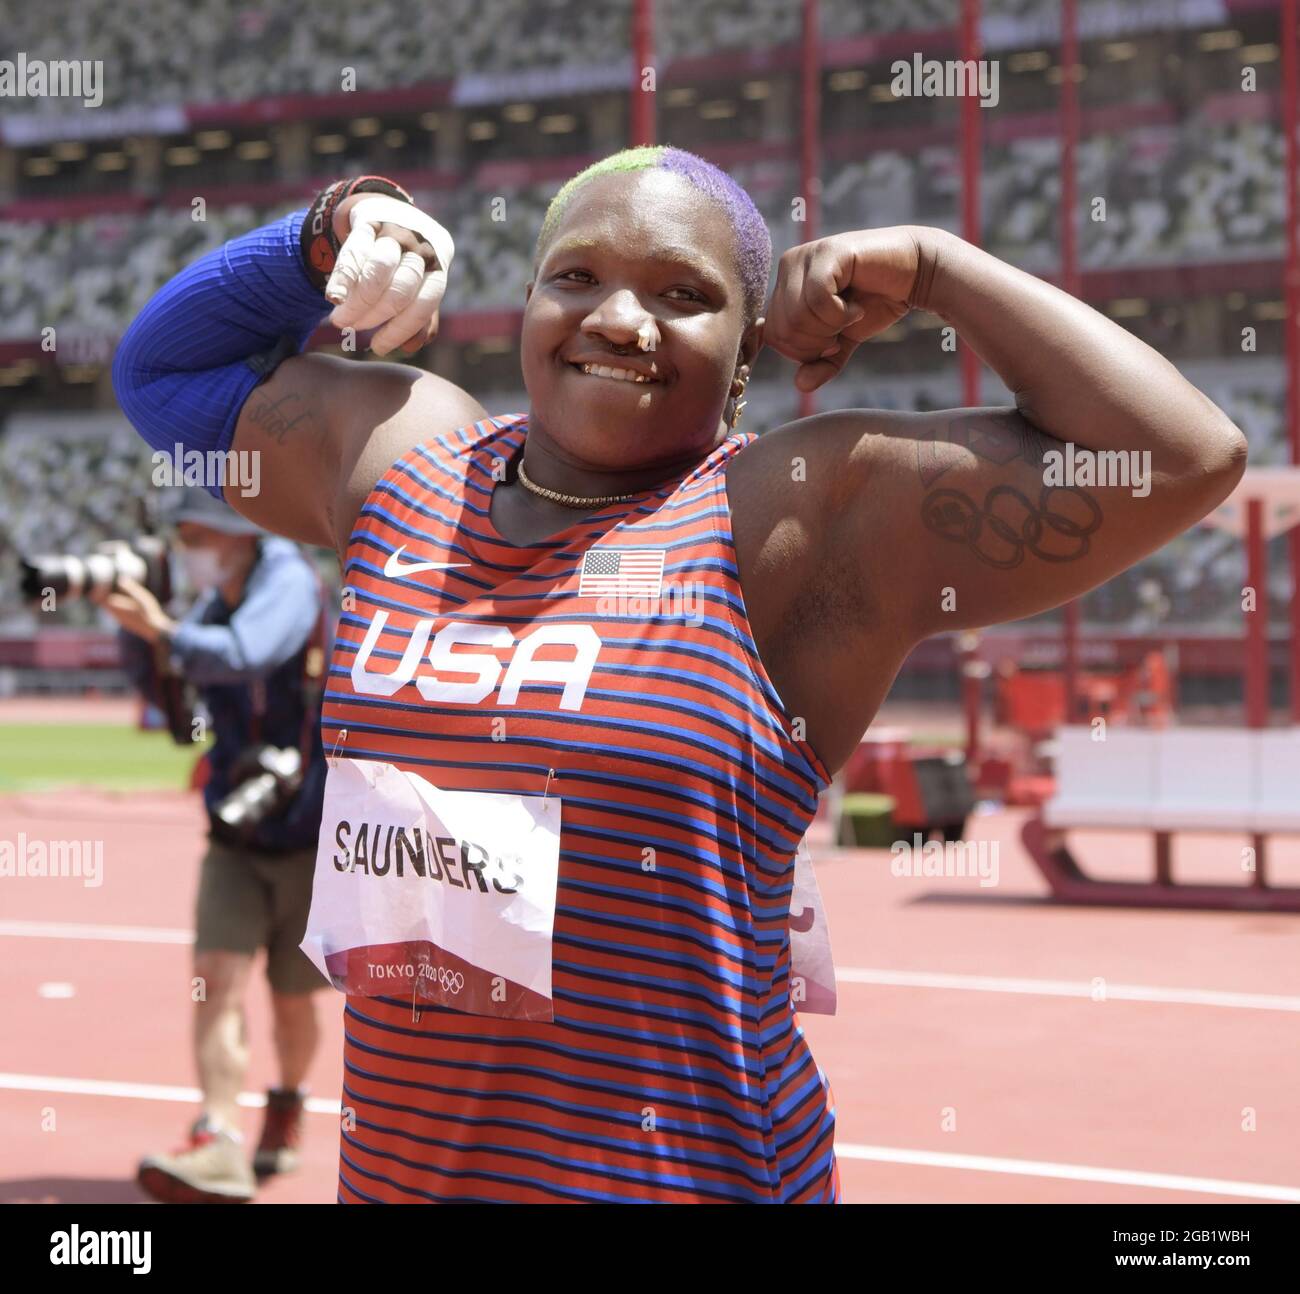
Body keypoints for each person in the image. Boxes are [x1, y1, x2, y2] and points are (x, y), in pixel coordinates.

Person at [112, 147, 1246, 1202]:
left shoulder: (795, 518)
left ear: (750, 350)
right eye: (577, 274)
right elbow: (159, 371)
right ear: (526, 302)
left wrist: (936, 268)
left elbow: (1181, 456)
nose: (616, 317)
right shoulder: (400, 459)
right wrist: (328, 235)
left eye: (682, 294)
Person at [101, 487, 331, 1203]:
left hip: (304, 831)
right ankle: (217, 1137)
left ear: (239, 534)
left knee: (293, 1003)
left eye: (196, 533)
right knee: (216, 977)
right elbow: (166, 688)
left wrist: (163, 629)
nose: (185, 549)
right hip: (234, 831)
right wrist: (136, 630)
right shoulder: (211, 600)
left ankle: (286, 1102)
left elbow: (243, 654)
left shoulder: (287, 579)